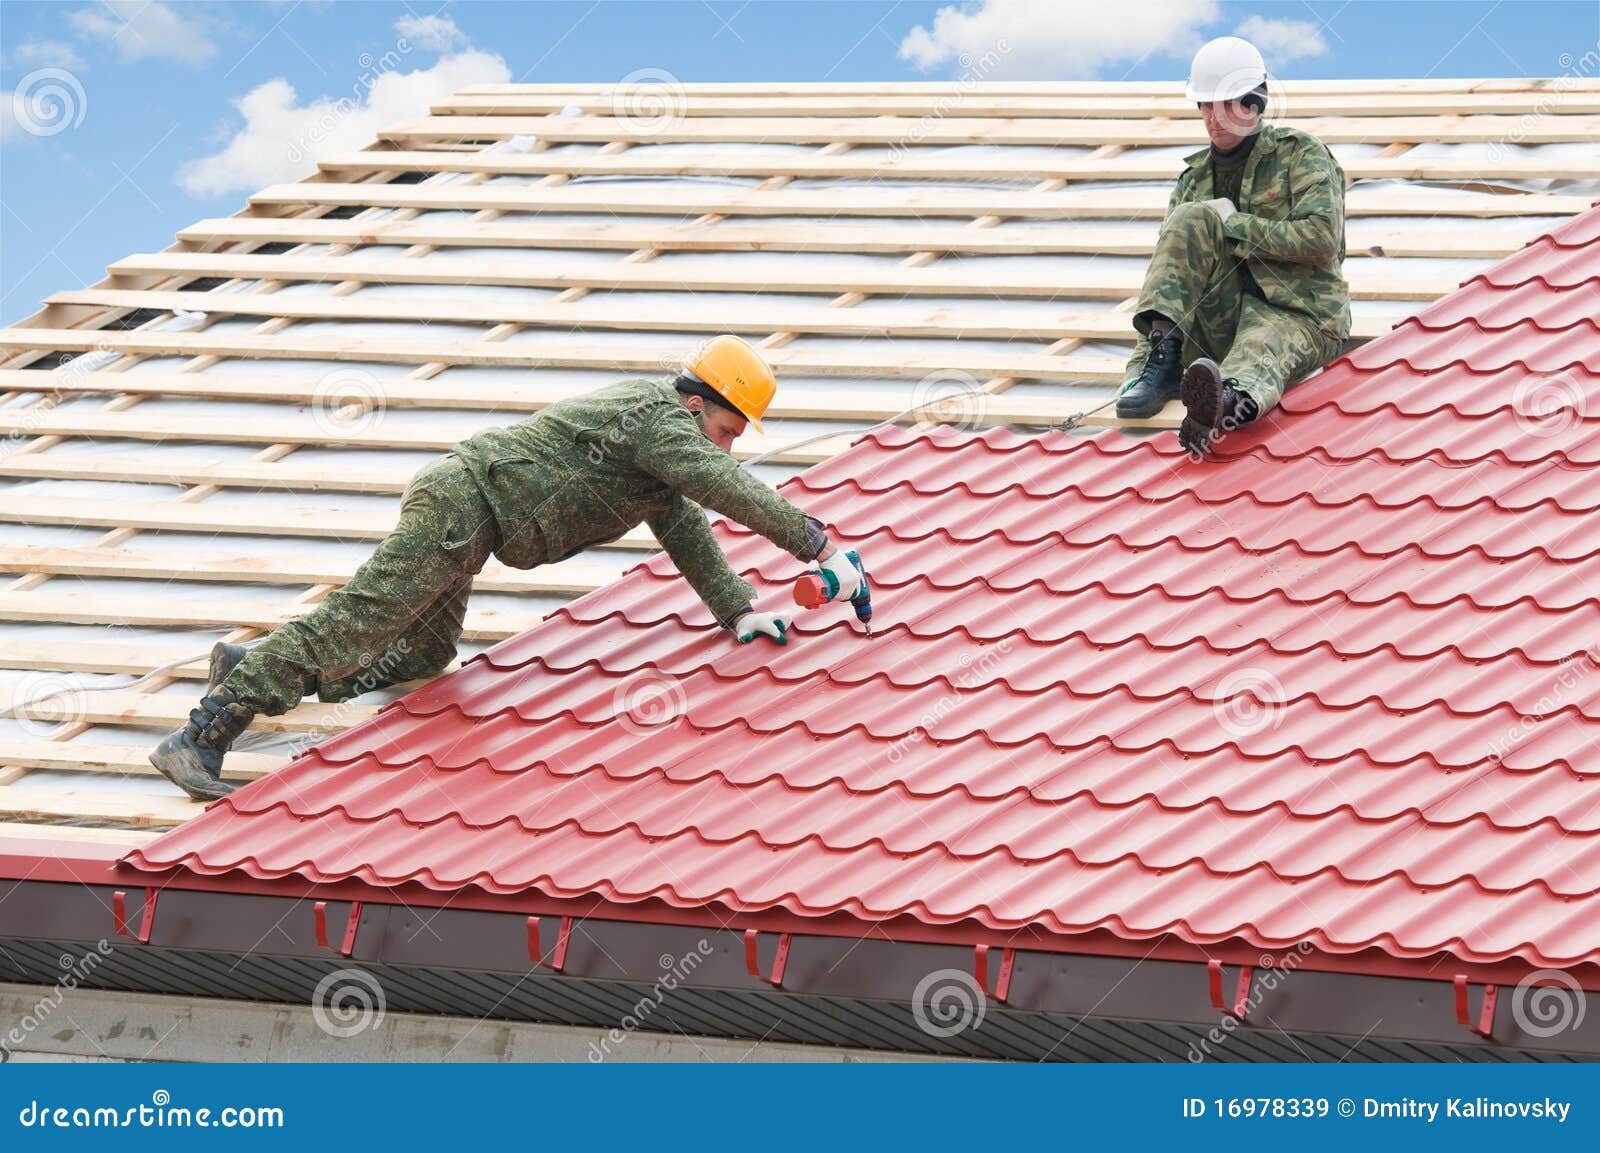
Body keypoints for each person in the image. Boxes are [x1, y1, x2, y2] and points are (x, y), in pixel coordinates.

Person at [149, 335, 867, 801]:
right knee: (357, 624)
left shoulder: (661, 452)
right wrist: (820, 546)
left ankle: (250, 664)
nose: (726, 451)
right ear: (695, 403)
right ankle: (205, 732)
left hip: (478, 519)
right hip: (462, 504)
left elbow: (686, 524)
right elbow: (725, 489)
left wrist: (738, 609)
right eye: (725, 432)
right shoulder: (657, 421)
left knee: (426, 652)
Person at [1114, 35, 1352, 456]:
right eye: (1205, 105)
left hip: (1298, 312)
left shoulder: (1301, 156)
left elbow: (1321, 240)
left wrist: (1234, 224)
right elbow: (1172, 282)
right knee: (1188, 219)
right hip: (1221, 318)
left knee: (1261, 343)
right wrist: (1142, 369)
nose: (1213, 118)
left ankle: (1225, 404)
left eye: (1225, 105)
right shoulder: (1191, 181)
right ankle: (1169, 367)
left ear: (1254, 104)